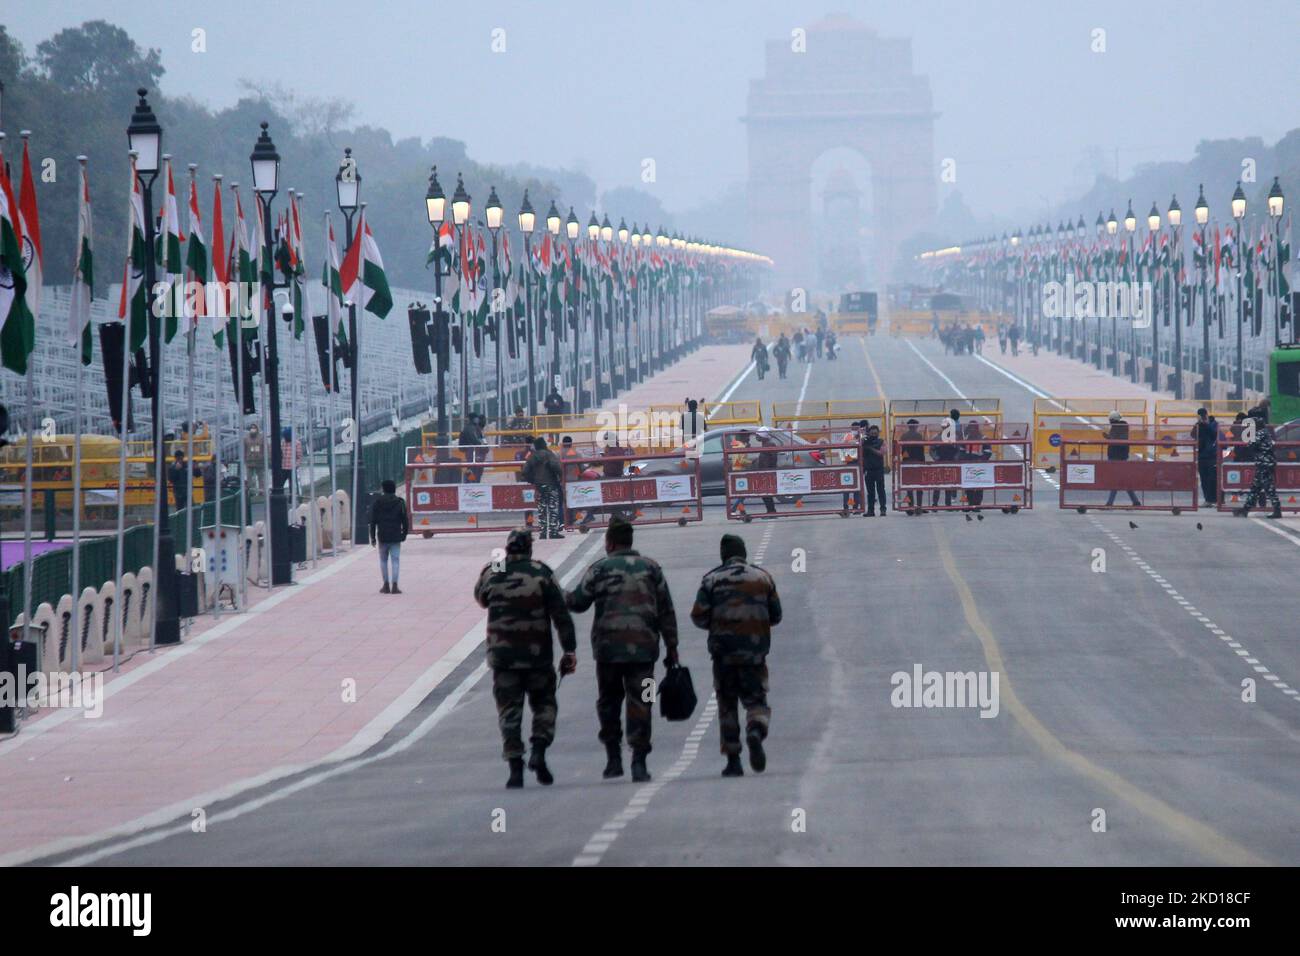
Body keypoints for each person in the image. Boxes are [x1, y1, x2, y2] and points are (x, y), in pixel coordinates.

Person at [566, 516, 678, 782]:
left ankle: (613, 758)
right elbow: (666, 611)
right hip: (646, 653)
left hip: (607, 652)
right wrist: (672, 647)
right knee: (645, 700)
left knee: (608, 701)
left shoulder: (599, 569)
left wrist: (556, 593)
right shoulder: (652, 568)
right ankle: (639, 760)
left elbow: (578, 602)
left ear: (610, 543)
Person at [475, 528, 577, 789]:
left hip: (503, 658)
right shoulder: (541, 572)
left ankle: (515, 768)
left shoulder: (494, 570)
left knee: (509, 712)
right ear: (530, 548)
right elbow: (561, 615)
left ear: (508, 548)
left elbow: (481, 598)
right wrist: (569, 650)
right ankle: (539, 750)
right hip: (537, 657)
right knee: (544, 706)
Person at [690, 534, 782, 777]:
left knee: (727, 704)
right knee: (756, 701)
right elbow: (776, 615)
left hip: (724, 655)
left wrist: (719, 624)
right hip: (754, 655)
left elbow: (698, 616)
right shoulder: (762, 577)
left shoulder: (711, 580)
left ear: (723, 554)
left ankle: (733, 759)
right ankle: (755, 729)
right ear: (744, 552)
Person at [1234, 413, 1283, 518]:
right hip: (1263, 464)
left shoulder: (1261, 433)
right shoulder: (1264, 432)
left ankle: (1277, 510)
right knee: (1255, 488)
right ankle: (1245, 509)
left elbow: (1250, 444)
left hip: (1264, 464)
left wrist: (1250, 433)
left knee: (1269, 488)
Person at [369, 478, 409, 594]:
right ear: (394, 489)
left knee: (383, 560)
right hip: (396, 534)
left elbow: (373, 521)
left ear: (383, 489)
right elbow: (404, 519)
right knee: (395, 560)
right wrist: (404, 533)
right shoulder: (400, 502)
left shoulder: (377, 503)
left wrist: (372, 537)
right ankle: (395, 585)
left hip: (382, 535)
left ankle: (386, 585)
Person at [522, 436, 565, 539]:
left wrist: (532, 480)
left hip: (539, 485)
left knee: (542, 509)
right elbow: (556, 466)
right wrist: (559, 475)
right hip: (551, 484)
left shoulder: (533, 456)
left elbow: (525, 471)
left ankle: (543, 532)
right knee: (552, 507)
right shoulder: (549, 454)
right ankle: (553, 532)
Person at [729, 431, 777, 517]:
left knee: (742, 492)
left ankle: (741, 511)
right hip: (740, 470)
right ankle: (733, 508)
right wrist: (752, 461)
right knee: (744, 493)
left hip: (736, 470)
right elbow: (740, 461)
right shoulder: (741, 446)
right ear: (743, 438)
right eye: (748, 437)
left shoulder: (736, 445)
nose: (749, 439)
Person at [1103, 410, 1140, 507]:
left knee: (1115, 480)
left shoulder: (1118, 427)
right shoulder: (1121, 427)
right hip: (1121, 456)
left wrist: (1108, 437)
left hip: (1116, 456)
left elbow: (1115, 440)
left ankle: (1110, 503)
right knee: (1124, 480)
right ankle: (1135, 501)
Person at [930, 409, 962, 508]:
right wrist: (937, 458)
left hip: (950, 463)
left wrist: (955, 459)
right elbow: (931, 450)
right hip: (940, 463)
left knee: (949, 484)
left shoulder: (953, 437)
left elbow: (958, 450)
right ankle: (935, 504)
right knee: (938, 485)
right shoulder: (937, 438)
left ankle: (947, 504)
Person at [1191, 407, 1220, 506]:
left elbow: (1214, 435)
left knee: (1212, 478)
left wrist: (1206, 424)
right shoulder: (1198, 425)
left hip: (1212, 455)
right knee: (1203, 479)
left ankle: (1214, 499)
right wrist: (1197, 425)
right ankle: (1207, 500)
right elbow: (1193, 435)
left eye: (1203, 415)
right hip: (1202, 455)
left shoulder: (1213, 424)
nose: (1202, 418)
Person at [960, 421, 992, 509]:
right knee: (968, 485)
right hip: (968, 466)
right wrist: (964, 460)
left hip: (979, 466)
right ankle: (970, 504)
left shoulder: (984, 439)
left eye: (973, 428)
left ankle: (977, 504)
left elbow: (988, 453)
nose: (971, 430)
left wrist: (980, 460)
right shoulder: (966, 439)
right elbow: (961, 451)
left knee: (979, 485)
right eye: (970, 428)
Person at [860, 423, 887, 517]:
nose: (873, 435)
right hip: (869, 470)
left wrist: (870, 449)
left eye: (875, 433)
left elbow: (882, 453)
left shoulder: (881, 441)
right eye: (872, 433)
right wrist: (862, 443)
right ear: (869, 433)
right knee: (870, 492)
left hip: (878, 469)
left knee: (881, 491)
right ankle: (871, 511)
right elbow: (859, 453)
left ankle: (883, 509)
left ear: (878, 433)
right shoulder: (865, 441)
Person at [899, 418, 926, 514]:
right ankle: (919, 507)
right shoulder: (919, 436)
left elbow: (902, 451)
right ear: (915, 426)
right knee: (919, 486)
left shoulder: (903, 436)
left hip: (907, 463)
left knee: (909, 486)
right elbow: (921, 450)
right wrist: (923, 462)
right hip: (917, 462)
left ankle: (910, 507)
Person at [458, 413, 487, 481]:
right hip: (474, 452)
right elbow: (475, 440)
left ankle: (470, 483)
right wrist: (484, 446)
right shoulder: (471, 428)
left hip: (475, 452)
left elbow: (481, 440)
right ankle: (471, 484)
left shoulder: (474, 428)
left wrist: (485, 446)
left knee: (474, 470)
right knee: (474, 470)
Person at [244, 424, 265, 497]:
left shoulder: (262, 438)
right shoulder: (246, 438)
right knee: (249, 478)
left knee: (261, 478)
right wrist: (245, 459)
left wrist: (266, 459)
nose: (252, 429)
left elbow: (265, 449)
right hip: (249, 461)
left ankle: (261, 492)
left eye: (254, 428)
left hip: (260, 461)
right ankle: (252, 492)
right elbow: (244, 449)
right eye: (251, 428)